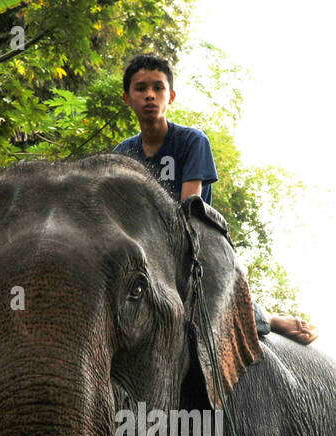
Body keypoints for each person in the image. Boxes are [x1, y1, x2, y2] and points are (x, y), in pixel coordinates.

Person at [113, 53, 317, 345]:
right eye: (141, 88)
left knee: (214, 302)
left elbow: (188, 207)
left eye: (158, 88)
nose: (150, 96)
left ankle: (267, 319)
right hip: (139, 246)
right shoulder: (122, 152)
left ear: (170, 97)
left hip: (188, 244)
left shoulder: (192, 141)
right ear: (127, 98)